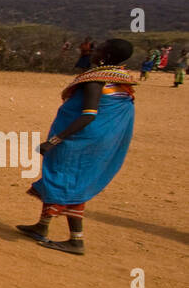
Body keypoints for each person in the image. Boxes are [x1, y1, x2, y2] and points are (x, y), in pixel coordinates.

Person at [15, 39, 137, 256]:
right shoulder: (121, 79)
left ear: (106, 56)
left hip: (79, 140)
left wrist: (54, 141)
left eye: (98, 49)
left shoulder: (96, 80)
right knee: (63, 179)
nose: (93, 50)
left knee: (67, 182)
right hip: (100, 141)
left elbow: (89, 115)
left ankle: (75, 240)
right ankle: (42, 225)